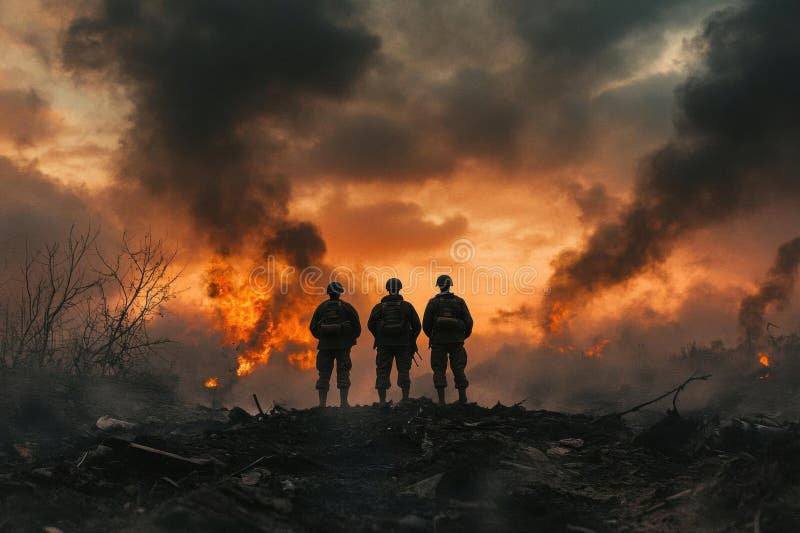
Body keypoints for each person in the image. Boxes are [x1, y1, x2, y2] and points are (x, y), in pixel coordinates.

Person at [367, 278, 422, 405]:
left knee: (382, 371)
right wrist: (411, 340)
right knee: (404, 370)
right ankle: (405, 399)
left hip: (384, 345)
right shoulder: (407, 306)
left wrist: (379, 335)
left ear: (387, 289)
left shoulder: (379, 307)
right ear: (399, 289)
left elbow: (370, 324)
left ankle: (382, 401)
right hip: (403, 345)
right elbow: (417, 326)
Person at [422, 274, 473, 405]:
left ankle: (442, 401)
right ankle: (463, 399)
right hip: (456, 341)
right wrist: (462, 336)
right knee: (459, 368)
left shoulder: (433, 303)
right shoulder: (459, 302)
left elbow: (426, 324)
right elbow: (469, 322)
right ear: (450, 285)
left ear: (439, 286)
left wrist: (433, 336)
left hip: (438, 342)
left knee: (439, 369)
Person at [309, 281, 361, 408]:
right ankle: (343, 403)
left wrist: (323, 337)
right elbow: (357, 328)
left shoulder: (321, 308)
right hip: (343, 347)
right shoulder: (346, 307)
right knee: (343, 373)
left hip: (325, 347)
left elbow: (312, 327)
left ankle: (322, 404)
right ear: (340, 292)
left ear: (328, 293)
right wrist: (349, 340)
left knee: (323, 374)